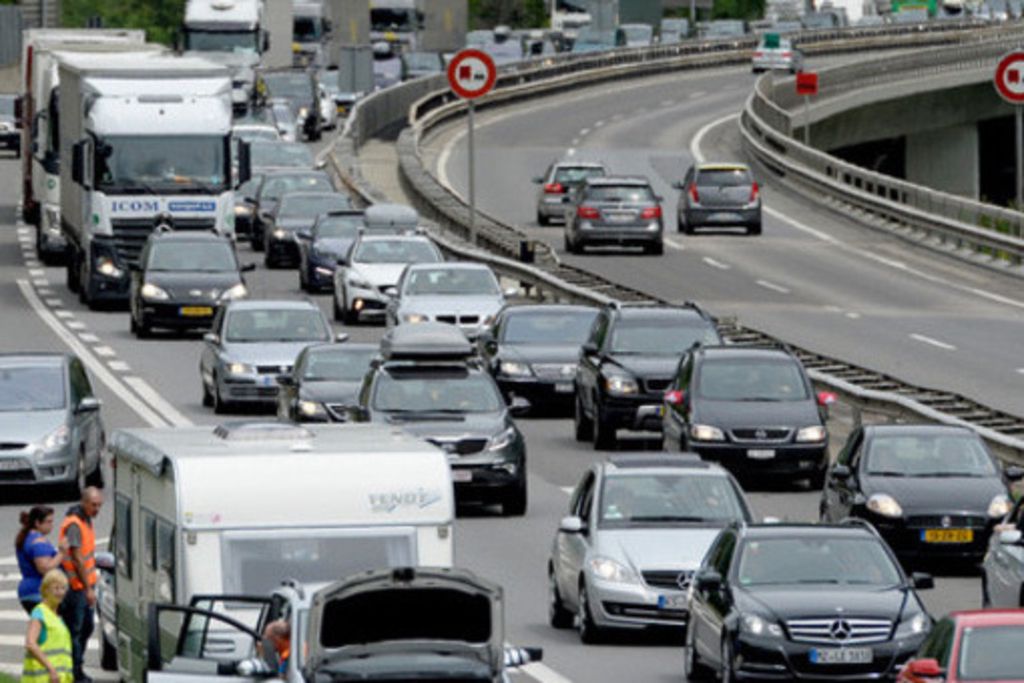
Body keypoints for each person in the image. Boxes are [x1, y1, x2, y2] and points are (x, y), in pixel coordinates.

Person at [58, 487, 104, 683]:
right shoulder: (75, 524)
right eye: (94, 505)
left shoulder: (85, 520)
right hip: (75, 587)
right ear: (84, 502)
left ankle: (76, 667)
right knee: (76, 630)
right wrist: (87, 589)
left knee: (85, 627)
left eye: (99, 505)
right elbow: (77, 559)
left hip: (84, 586)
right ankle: (75, 672)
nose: (97, 509)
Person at [22, 569, 74, 683]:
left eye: (63, 588)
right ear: (46, 590)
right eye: (56, 588)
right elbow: (30, 643)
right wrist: (51, 669)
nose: (60, 592)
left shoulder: (56, 616)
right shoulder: (39, 613)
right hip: (44, 678)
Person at [15, 506, 62, 614]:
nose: (51, 525)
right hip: (39, 591)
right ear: (37, 523)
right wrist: (61, 553)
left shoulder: (27, 537)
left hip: (29, 590)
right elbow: (45, 568)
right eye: (48, 522)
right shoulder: (38, 542)